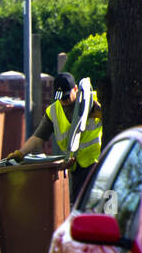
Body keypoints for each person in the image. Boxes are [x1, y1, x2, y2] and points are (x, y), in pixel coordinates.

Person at [7, 72, 102, 202]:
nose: (63, 100)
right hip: (76, 168)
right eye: (60, 97)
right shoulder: (53, 112)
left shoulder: (92, 102)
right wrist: (20, 153)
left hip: (98, 163)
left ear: (75, 89)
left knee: (100, 206)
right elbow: (38, 137)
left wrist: (100, 112)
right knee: (79, 206)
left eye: (66, 97)